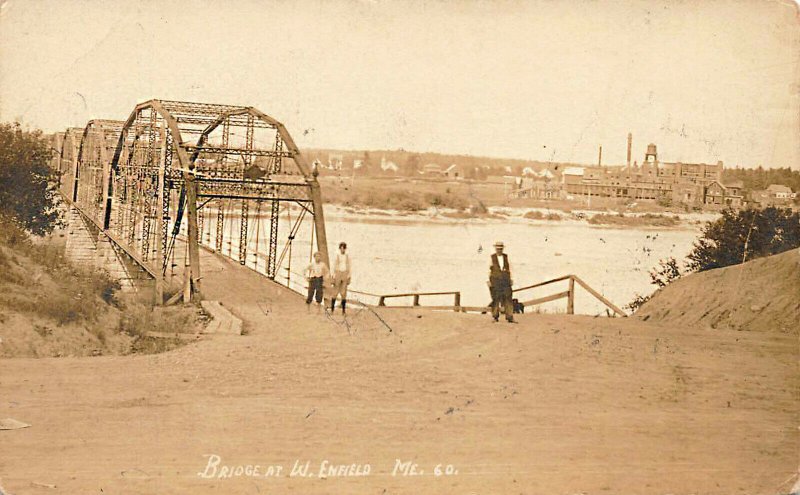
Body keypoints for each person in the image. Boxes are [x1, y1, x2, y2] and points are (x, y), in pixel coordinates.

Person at [488, 241, 515, 323]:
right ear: (495, 249)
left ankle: (510, 316)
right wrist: (488, 280)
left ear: (503, 249)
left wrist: (512, 279)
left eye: (500, 249)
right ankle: (495, 316)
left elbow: (511, 268)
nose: (499, 250)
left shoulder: (507, 257)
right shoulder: (491, 258)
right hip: (495, 281)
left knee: (508, 297)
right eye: (498, 249)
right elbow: (487, 270)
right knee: (495, 298)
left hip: (505, 281)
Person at [330, 242, 351, 315]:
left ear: (345, 249)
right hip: (338, 273)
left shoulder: (347, 256)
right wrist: (333, 275)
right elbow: (333, 266)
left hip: (345, 273)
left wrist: (349, 276)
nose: (342, 250)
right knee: (335, 292)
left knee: (343, 293)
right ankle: (332, 309)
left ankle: (343, 311)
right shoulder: (337, 256)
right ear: (339, 249)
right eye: (341, 248)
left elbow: (350, 267)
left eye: (343, 248)